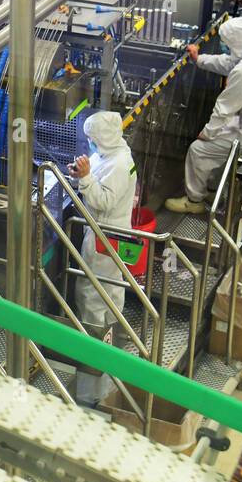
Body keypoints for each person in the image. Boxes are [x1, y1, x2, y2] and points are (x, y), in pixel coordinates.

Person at [164, 16, 242, 214]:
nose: (224, 44)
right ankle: (212, 190)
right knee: (220, 141)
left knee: (199, 149)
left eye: (226, 42)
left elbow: (224, 108)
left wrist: (207, 133)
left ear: (235, 42)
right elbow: (229, 63)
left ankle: (194, 201)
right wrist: (199, 59)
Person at [69, 111, 137, 343]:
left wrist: (86, 178)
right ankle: (111, 333)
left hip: (104, 234)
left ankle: (93, 341)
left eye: (92, 139)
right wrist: (82, 175)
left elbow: (104, 202)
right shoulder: (113, 153)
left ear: (102, 138)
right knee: (110, 286)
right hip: (112, 233)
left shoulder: (118, 164)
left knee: (92, 289)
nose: (90, 142)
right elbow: (96, 178)